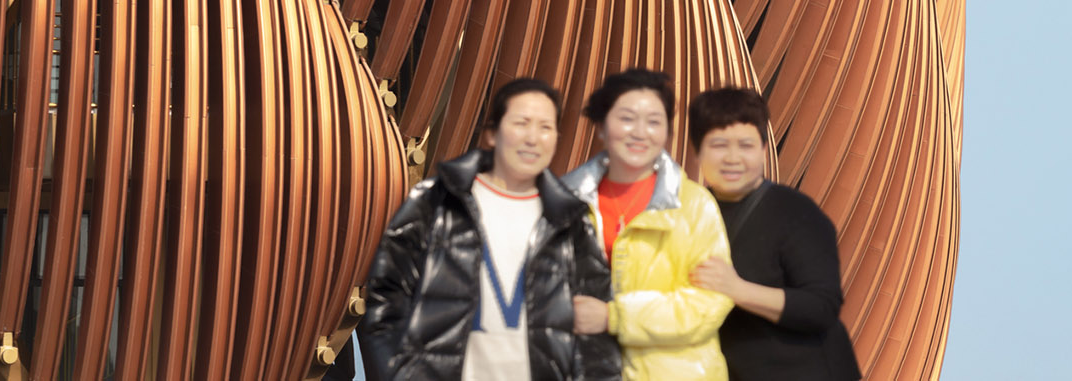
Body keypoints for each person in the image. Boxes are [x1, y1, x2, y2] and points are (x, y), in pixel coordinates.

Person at [360, 77, 619, 381]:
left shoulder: (570, 221)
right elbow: (384, 302)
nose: (533, 138)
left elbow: (596, 335)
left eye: (545, 127)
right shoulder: (436, 202)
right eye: (521, 123)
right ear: (493, 133)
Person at [563, 68, 733, 381]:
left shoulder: (693, 205)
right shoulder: (563, 202)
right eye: (627, 118)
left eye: (654, 121)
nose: (640, 132)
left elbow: (709, 302)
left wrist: (613, 317)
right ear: (601, 126)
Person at [684, 87, 861, 381]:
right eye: (719, 145)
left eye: (746, 145)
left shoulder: (795, 214)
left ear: (764, 151)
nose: (733, 158)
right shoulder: (687, 216)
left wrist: (737, 290)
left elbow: (820, 307)